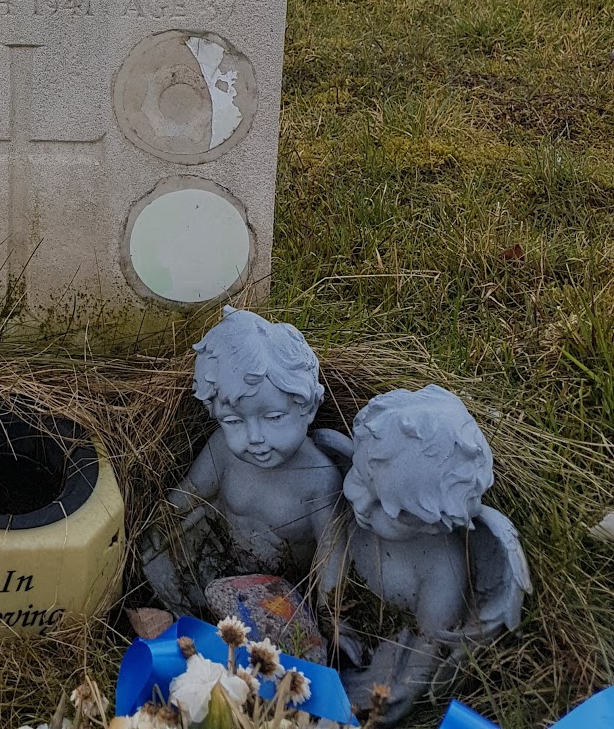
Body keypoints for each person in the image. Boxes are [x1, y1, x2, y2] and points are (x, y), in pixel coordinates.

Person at [318, 385, 530, 723]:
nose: (360, 504)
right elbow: (327, 556)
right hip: (337, 625)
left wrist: (406, 688)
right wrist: (328, 612)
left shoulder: (442, 568)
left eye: (389, 509)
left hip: (386, 649)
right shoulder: (361, 508)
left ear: (434, 522)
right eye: (359, 477)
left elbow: (428, 644)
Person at [141, 309, 344, 608]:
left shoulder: (320, 480)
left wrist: (329, 608)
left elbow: (333, 555)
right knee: (154, 569)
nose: (255, 437)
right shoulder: (223, 448)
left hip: (277, 598)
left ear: (310, 407)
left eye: (273, 417)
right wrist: (161, 522)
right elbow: (192, 491)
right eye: (234, 421)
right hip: (213, 560)